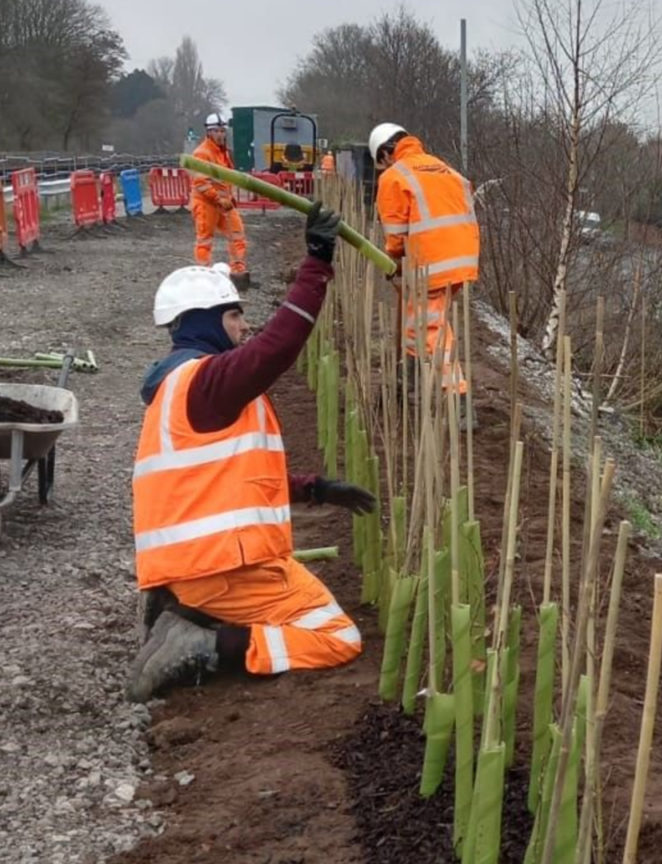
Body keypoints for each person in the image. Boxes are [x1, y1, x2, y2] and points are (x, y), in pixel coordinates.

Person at [126, 203, 373, 702]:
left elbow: (228, 483)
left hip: (195, 568)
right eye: (235, 315)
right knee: (336, 637)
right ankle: (209, 644)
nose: (244, 326)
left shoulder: (180, 389)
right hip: (225, 570)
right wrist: (317, 263)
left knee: (289, 600)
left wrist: (315, 489)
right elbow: (278, 348)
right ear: (207, 321)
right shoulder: (207, 381)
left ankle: (183, 609)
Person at [368, 122, 480, 410]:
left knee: (431, 328)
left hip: (432, 261)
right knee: (415, 319)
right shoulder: (443, 168)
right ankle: (411, 377)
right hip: (462, 257)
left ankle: (459, 399)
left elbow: (395, 237)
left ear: (384, 154)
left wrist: (392, 261)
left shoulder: (394, 176)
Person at [190, 113, 250, 289]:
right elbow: (201, 182)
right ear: (209, 132)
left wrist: (228, 198)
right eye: (216, 131)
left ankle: (238, 271)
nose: (220, 134)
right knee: (205, 240)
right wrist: (218, 199)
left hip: (223, 203)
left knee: (237, 234)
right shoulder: (202, 153)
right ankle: (204, 276)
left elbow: (224, 180)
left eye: (222, 131)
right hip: (206, 203)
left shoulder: (223, 153)